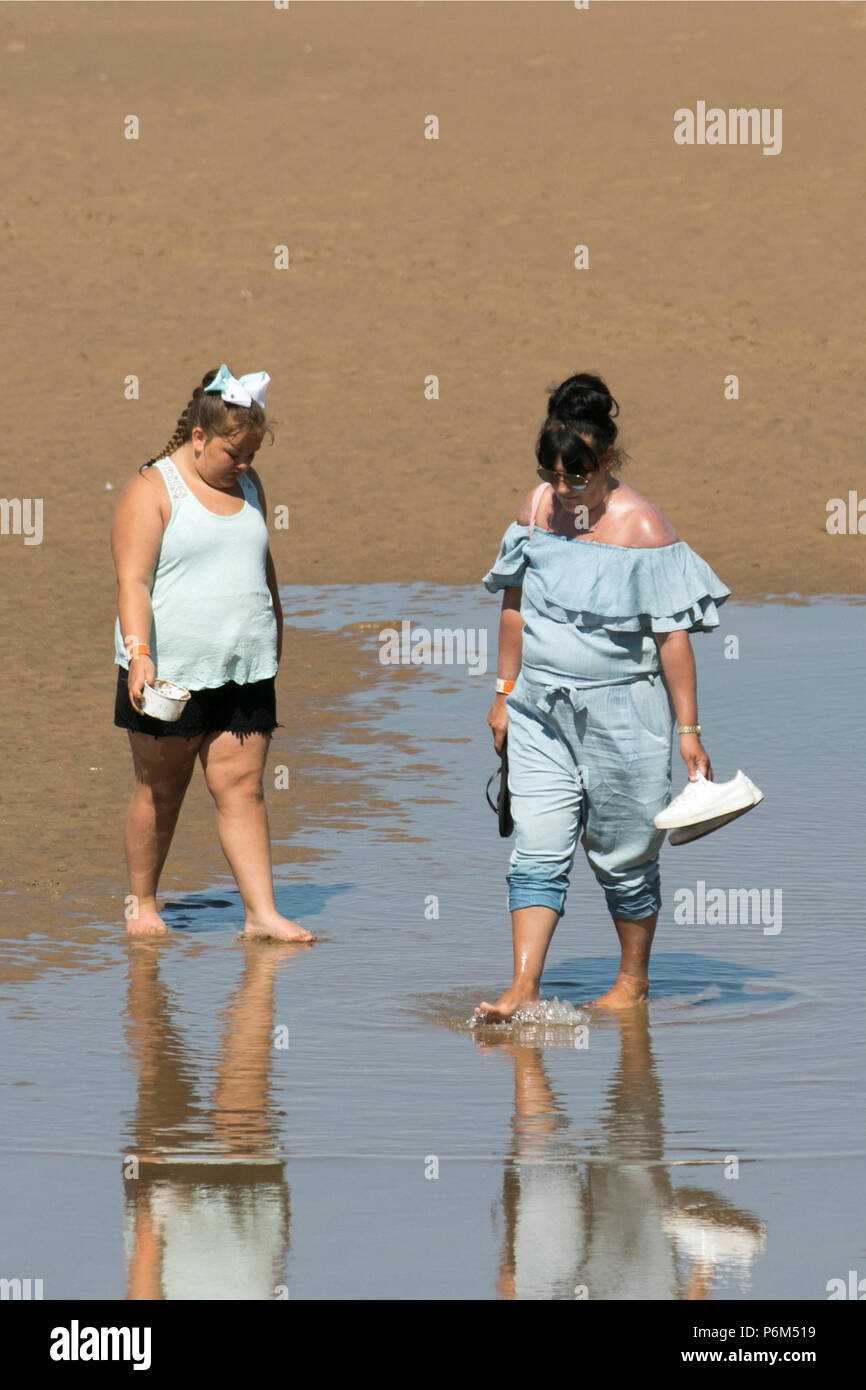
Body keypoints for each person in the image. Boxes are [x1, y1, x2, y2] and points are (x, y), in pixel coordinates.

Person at [476, 373, 730, 1019]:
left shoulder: (643, 527)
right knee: (535, 844)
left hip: (626, 716)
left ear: (607, 462)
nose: (564, 491)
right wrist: (503, 693)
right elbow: (513, 608)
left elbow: (673, 641)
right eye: (554, 475)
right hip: (539, 710)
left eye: (577, 477)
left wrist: (689, 733)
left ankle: (632, 985)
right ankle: (523, 987)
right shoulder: (535, 511)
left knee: (624, 855)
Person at [111, 364, 314, 943]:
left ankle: (261, 914)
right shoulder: (152, 489)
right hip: (168, 670)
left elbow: (261, 564)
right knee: (161, 787)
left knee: (244, 787)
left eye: (251, 452)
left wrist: (275, 623)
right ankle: (143, 903)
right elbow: (134, 582)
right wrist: (139, 651)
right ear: (198, 437)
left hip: (245, 666)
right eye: (233, 451)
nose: (243, 464)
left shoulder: (250, 485)